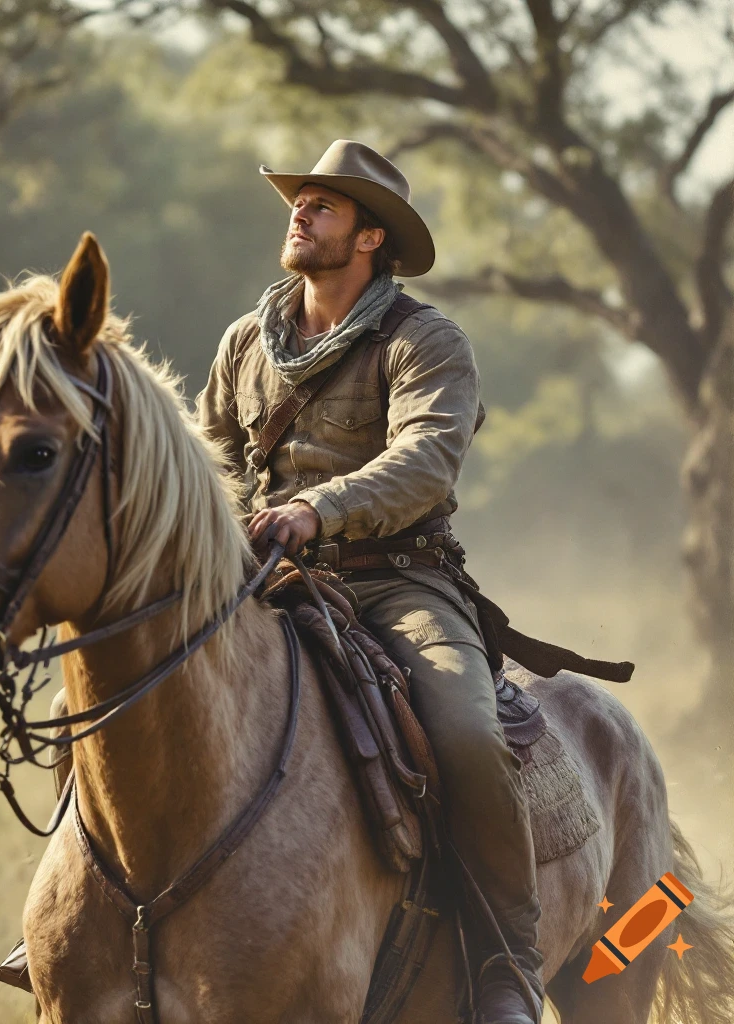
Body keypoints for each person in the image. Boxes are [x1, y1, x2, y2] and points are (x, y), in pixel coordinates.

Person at [195, 139, 543, 1024]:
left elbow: (426, 461)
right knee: (134, 687)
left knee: (465, 733)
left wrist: (316, 509)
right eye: (299, 200)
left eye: (324, 205)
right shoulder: (245, 341)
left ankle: (508, 964)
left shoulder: (426, 341)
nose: (299, 213)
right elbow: (213, 461)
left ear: (369, 239)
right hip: (261, 582)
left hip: (397, 584)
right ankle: (81, 924)